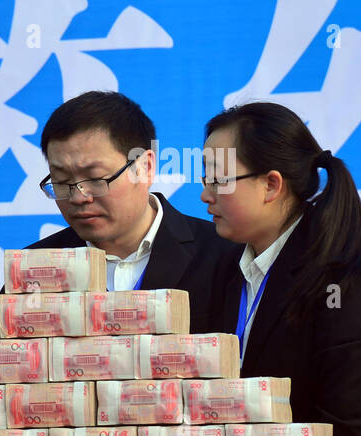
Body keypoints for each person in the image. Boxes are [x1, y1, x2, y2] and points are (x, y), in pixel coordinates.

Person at [200, 102, 361, 436]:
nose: (206, 195)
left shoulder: (341, 279)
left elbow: (350, 430)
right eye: (205, 180)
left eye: (219, 180)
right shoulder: (224, 266)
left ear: (271, 184)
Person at [25, 91, 231, 333]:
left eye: (95, 178)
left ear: (146, 167)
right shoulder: (34, 270)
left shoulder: (222, 256)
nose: (79, 197)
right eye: (61, 180)